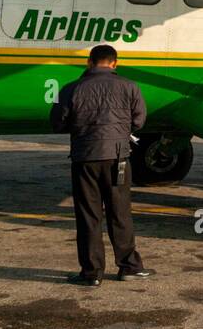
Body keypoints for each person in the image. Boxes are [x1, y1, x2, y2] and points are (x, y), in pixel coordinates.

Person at [50, 44, 152, 286]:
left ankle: (91, 273)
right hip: (118, 159)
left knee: (88, 217)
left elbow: (57, 123)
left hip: (85, 159)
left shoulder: (71, 89)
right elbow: (139, 121)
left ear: (89, 62)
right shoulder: (129, 87)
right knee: (120, 214)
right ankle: (129, 267)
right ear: (114, 63)